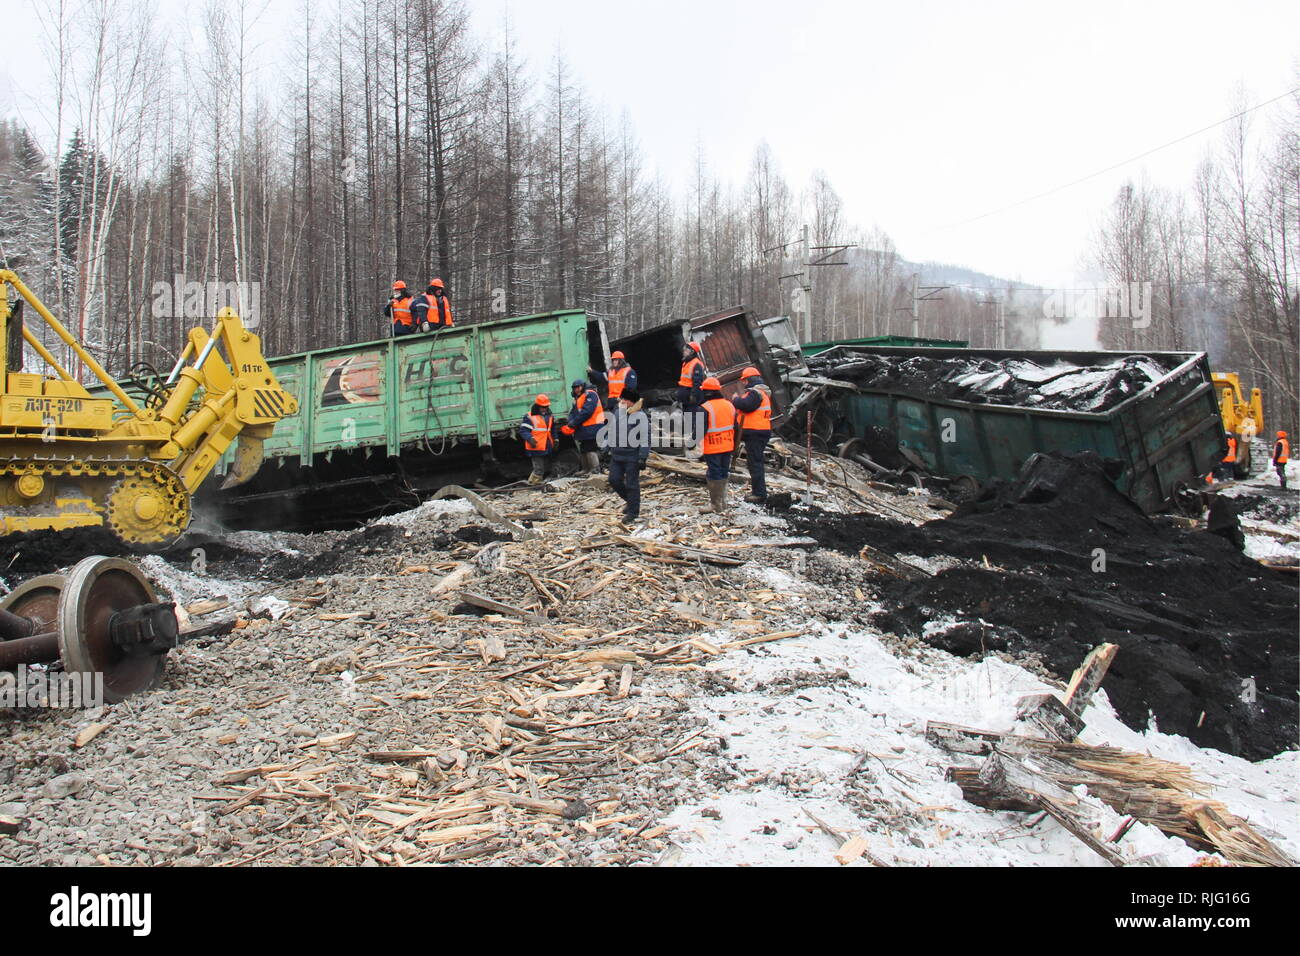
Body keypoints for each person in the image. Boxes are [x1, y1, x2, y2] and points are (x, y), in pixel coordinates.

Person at [600, 388, 651, 524]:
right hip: (617, 455)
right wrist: (605, 447)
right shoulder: (618, 413)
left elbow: (645, 437)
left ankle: (633, 512)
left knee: (631, 485)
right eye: (621, 399)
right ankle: (630, 501)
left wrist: (642, 457)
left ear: (632, 402)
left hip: (632, 457)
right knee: (614, 480)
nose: (621, 401)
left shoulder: (640, 416)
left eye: (625, 399)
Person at [731, 366, 772, 503]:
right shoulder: (760, 392)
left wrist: (735, 399)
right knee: (754, 462)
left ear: (748, 380)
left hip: (756, 432)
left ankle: (759, 493)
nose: (743, 384)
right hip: (757, 431)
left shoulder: (756, 393)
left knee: (755, 462)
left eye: (744, 381)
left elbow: (746, 405)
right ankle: (758, 491)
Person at [698, 376, 736, 513]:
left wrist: (691, 444)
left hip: (713, 446)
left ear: (707, 392)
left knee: (714, 473)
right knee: (724, 471)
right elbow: (735, 426)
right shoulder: (729, 404)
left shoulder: (705, 408)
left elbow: (700, 429)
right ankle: (723, 502)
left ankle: (715, 505)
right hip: (728, 444)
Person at [560, 378, 605, 474]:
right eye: (574, 388)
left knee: (590, 448)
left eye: (578, 387)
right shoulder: (578, 398)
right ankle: (586, 469)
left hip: (593, 426)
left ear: (582, 386)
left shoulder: (590, 394)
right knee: (584, 449)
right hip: (585, 428)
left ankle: (595, 469)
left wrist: (573, 424)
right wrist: (569, 423)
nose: (576, 389)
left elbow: (586, 412)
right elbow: (574, 412)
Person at [676, 341, 707, 454]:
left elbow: (697, 382)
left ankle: (696, 443)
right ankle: (691, 442)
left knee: (693, 419)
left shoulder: (696, 364)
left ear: (692, 351)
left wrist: (693, 395)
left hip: (691, 397)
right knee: (688, 418)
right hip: (685, 396)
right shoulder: (686, 362)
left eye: (686, 349)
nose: (684, 351)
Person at [519, 394, 557, 485]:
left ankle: (532, 482)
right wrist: (530, 438)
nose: (544, 409)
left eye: (546, 407)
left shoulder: (549, 416)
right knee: (539, 468)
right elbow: (523, 431)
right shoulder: (529, 417)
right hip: (535, 446)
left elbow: (552, 429)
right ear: (537, 406)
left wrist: (556, 439)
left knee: (542, 467)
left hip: (546, 446)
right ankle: (536, 484)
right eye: (542, 407)